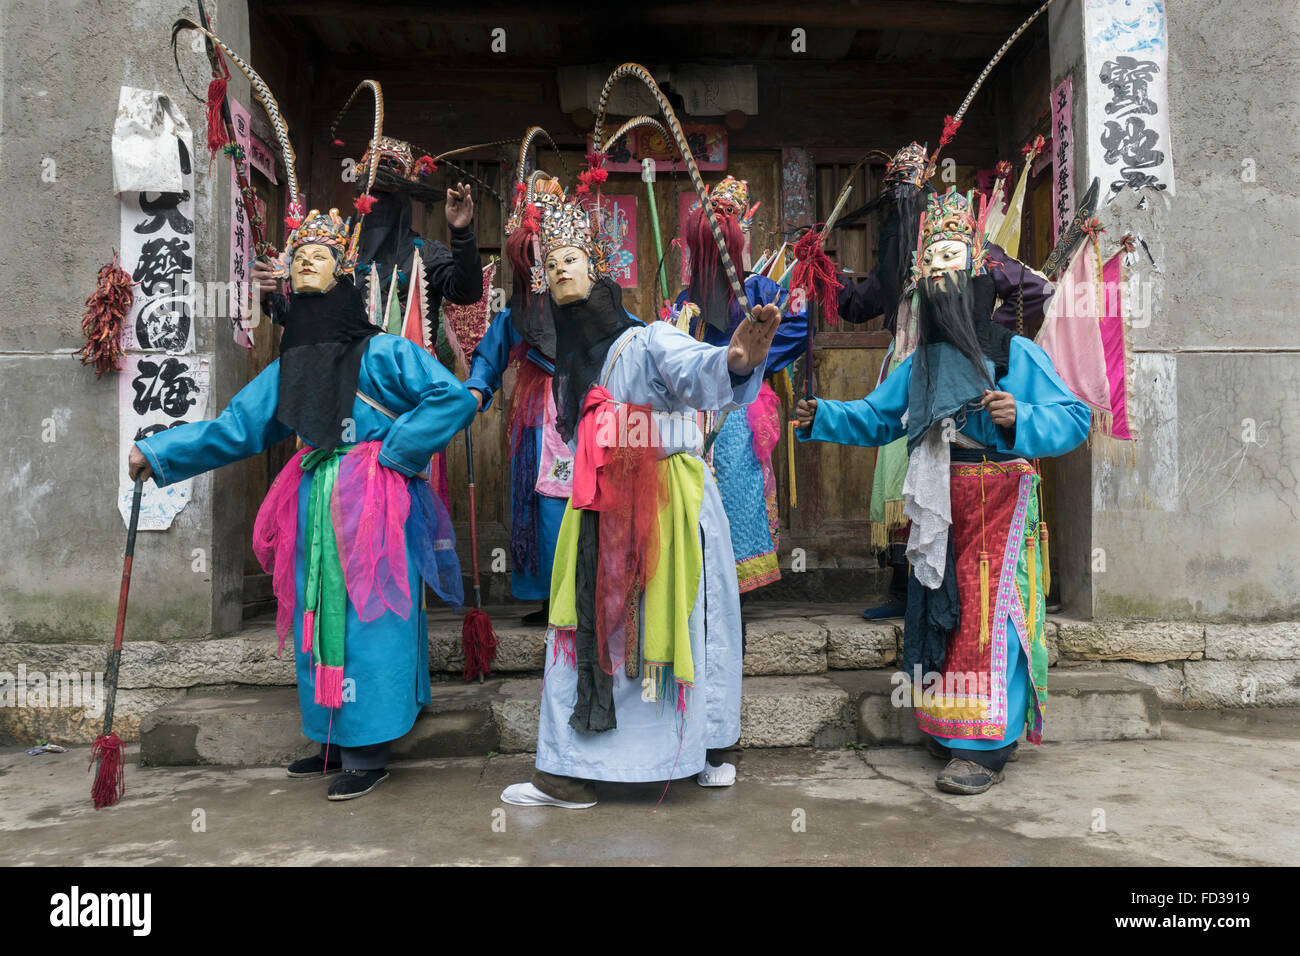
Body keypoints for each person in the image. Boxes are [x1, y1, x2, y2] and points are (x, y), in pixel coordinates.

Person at [131, 207, 477, 801]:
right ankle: (329, 737)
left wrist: (393, 454)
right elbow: (236, 427)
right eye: (298, 256)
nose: (306, 260)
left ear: (345, 271)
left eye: (320, 254)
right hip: (314, 497)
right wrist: (159, 453)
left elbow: (454, 398)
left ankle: (368, 749)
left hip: (373, 498)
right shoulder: (290, 367)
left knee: (371, 617)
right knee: (316, 615)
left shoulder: (387, 353)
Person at [796, 188, 1089, 795]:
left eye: (950, 261)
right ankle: (948, 724)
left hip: (1001, 499)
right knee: (943, 615)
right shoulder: (919, 364)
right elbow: (879, 418)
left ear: (977, 274)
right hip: (941, 500)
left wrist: (1020, 417)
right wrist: (821, 415)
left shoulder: (1015, 353)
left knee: (991, 619)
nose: (937, 276)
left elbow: (1075, 419)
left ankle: (986, 746)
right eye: (928, 267)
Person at [498, 184, 781, 808]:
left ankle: (702, 744)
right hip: (598, 509)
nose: (558, 268)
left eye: (571, 257)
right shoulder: (572, 364)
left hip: (667, 508)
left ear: (600, 270)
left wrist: (735, 359)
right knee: (584, 628)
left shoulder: (647, 340)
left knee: (680, 624)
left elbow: (698, 368)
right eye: (549, 263)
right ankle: (571, 768)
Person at [836, 145, 1053, 620]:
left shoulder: (978, 253)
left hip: (971, 371)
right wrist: (825, 274)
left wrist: (995, 339)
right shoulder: (900, 258)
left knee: (963, 471)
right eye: (897, 191)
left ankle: (970, 591)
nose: (903, 200)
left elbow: (1035, 289)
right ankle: (910, 588)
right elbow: (857, 304)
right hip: (912, 372)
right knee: (905, 475)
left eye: (910, 189)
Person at [675, 175, 807, 594]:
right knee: (693, 498)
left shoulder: (759, 288)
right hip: (691, 412)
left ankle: (735, 590)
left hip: (737, 408)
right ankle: (697, 585)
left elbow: (797, 324)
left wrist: (755, 361)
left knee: (737, 492)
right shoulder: (686, 297)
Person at [464, 171, 582, 625]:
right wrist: (476, 389)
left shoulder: (597, 303)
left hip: (587, 406)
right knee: (541, 501)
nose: (548, 267)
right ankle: (550, 596)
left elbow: (629, 340)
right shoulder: (518, 312)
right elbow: (490, 356)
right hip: (538, 411)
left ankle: (585, 593)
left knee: (587, 498)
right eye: (536, 258)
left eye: (553, 256)